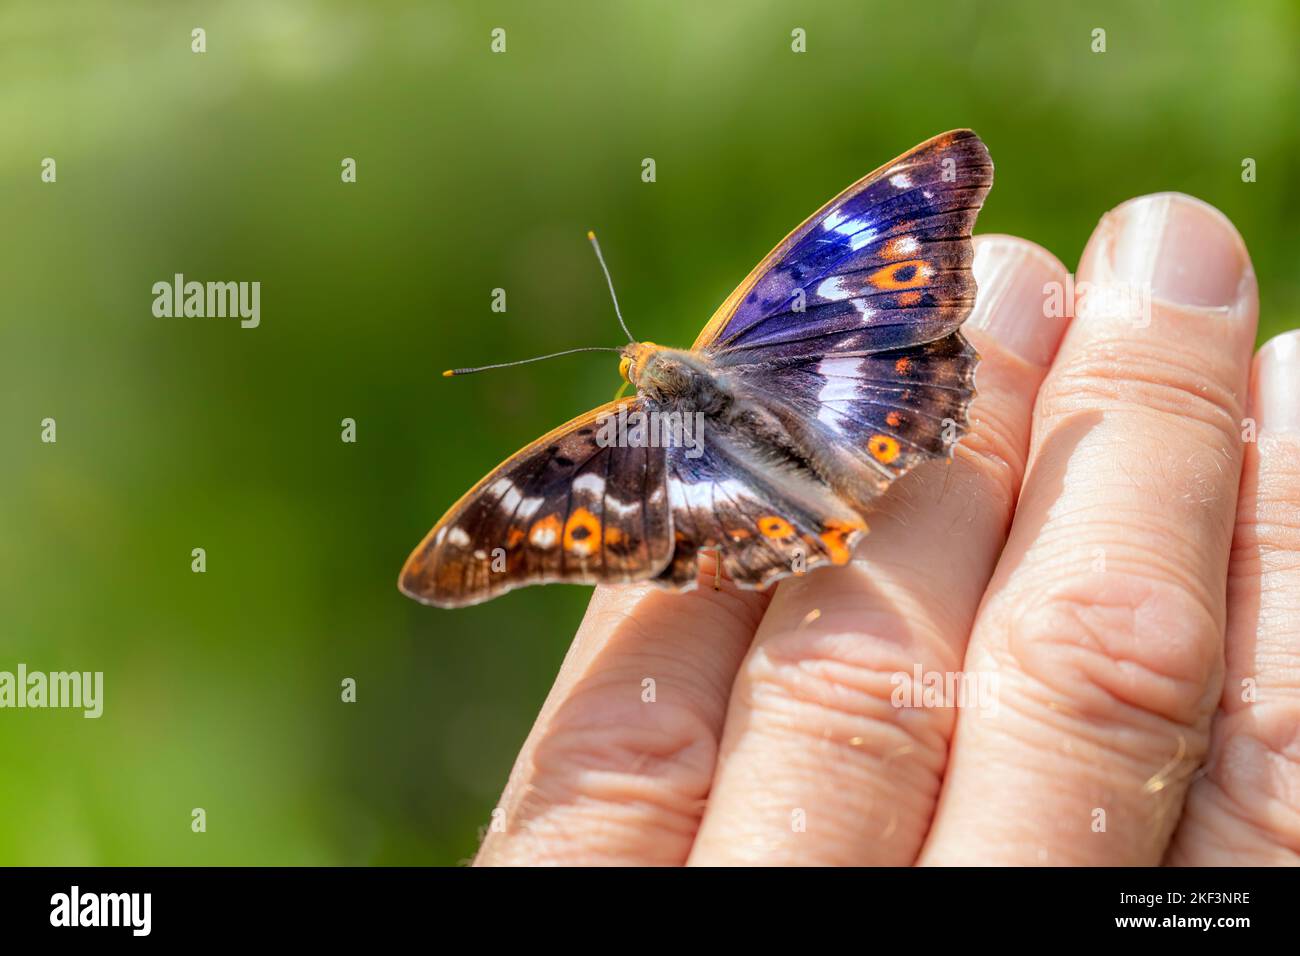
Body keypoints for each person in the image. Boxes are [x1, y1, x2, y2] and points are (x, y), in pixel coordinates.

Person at [477, 193, 1298, 866]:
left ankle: (803, 518)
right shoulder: (749, 323)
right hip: (846, 401)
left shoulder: (610, 440)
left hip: (739, 484)